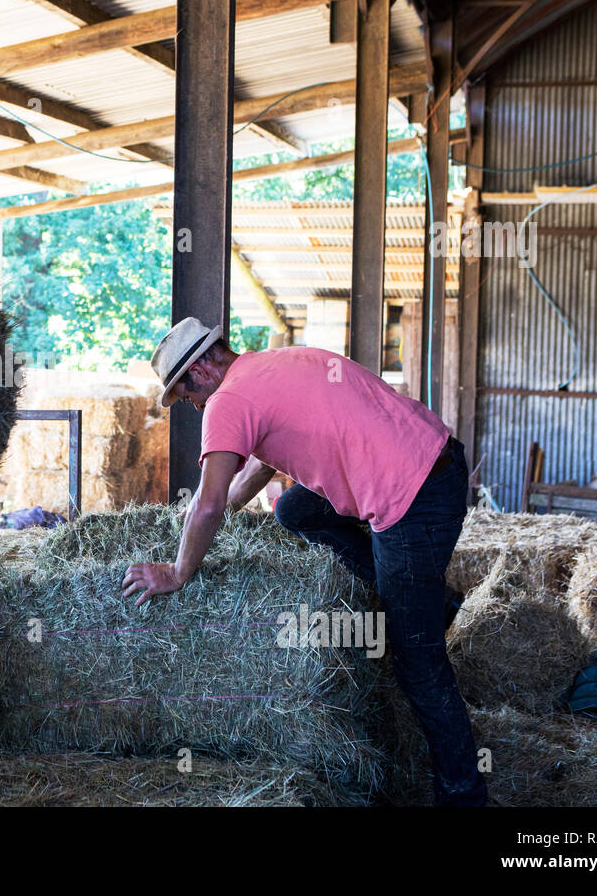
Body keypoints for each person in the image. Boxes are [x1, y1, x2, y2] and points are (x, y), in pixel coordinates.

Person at [123, 317, 488, 806]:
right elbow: (263, 460)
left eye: (187, 395)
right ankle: (431, 601)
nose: (192, 405)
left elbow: (204, 505)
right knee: (294, 509)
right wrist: (233, 505)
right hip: (438, 456)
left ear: (203, 368)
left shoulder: (226, 401)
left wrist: (178, 571)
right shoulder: (277, 364)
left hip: (411, 499)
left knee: (417, 662)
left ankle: (465, 796)